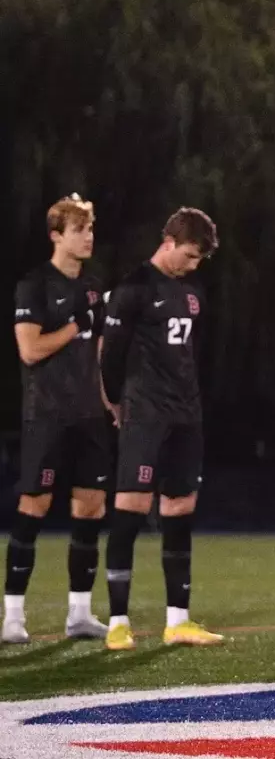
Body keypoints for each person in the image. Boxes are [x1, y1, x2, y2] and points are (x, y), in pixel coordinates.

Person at [99, 207, 223, 650]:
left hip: (186, 417)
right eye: (189, 255)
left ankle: (178, 620)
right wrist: (117, 403)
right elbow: (111, 356)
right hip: (146, 414)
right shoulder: (133, 288)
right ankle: (117, 622)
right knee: (130, 509)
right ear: (168, 241)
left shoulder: (192, 292)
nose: (194, 265)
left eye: (199, 259)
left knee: (180, 511)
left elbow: (194, 353)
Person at [5, 195, 110, 644]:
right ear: (56, 236)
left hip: (89, 416)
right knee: (35, 507)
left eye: (90, 229)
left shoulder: (94, 288)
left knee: (91, 507)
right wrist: (74, 324)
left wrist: (111, 403)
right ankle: (12, 616)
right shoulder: (34, 286)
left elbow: (99, 355)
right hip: (47, 414)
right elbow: (30, 351)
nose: (88, 237)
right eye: (79, 230)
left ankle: (80, 614)